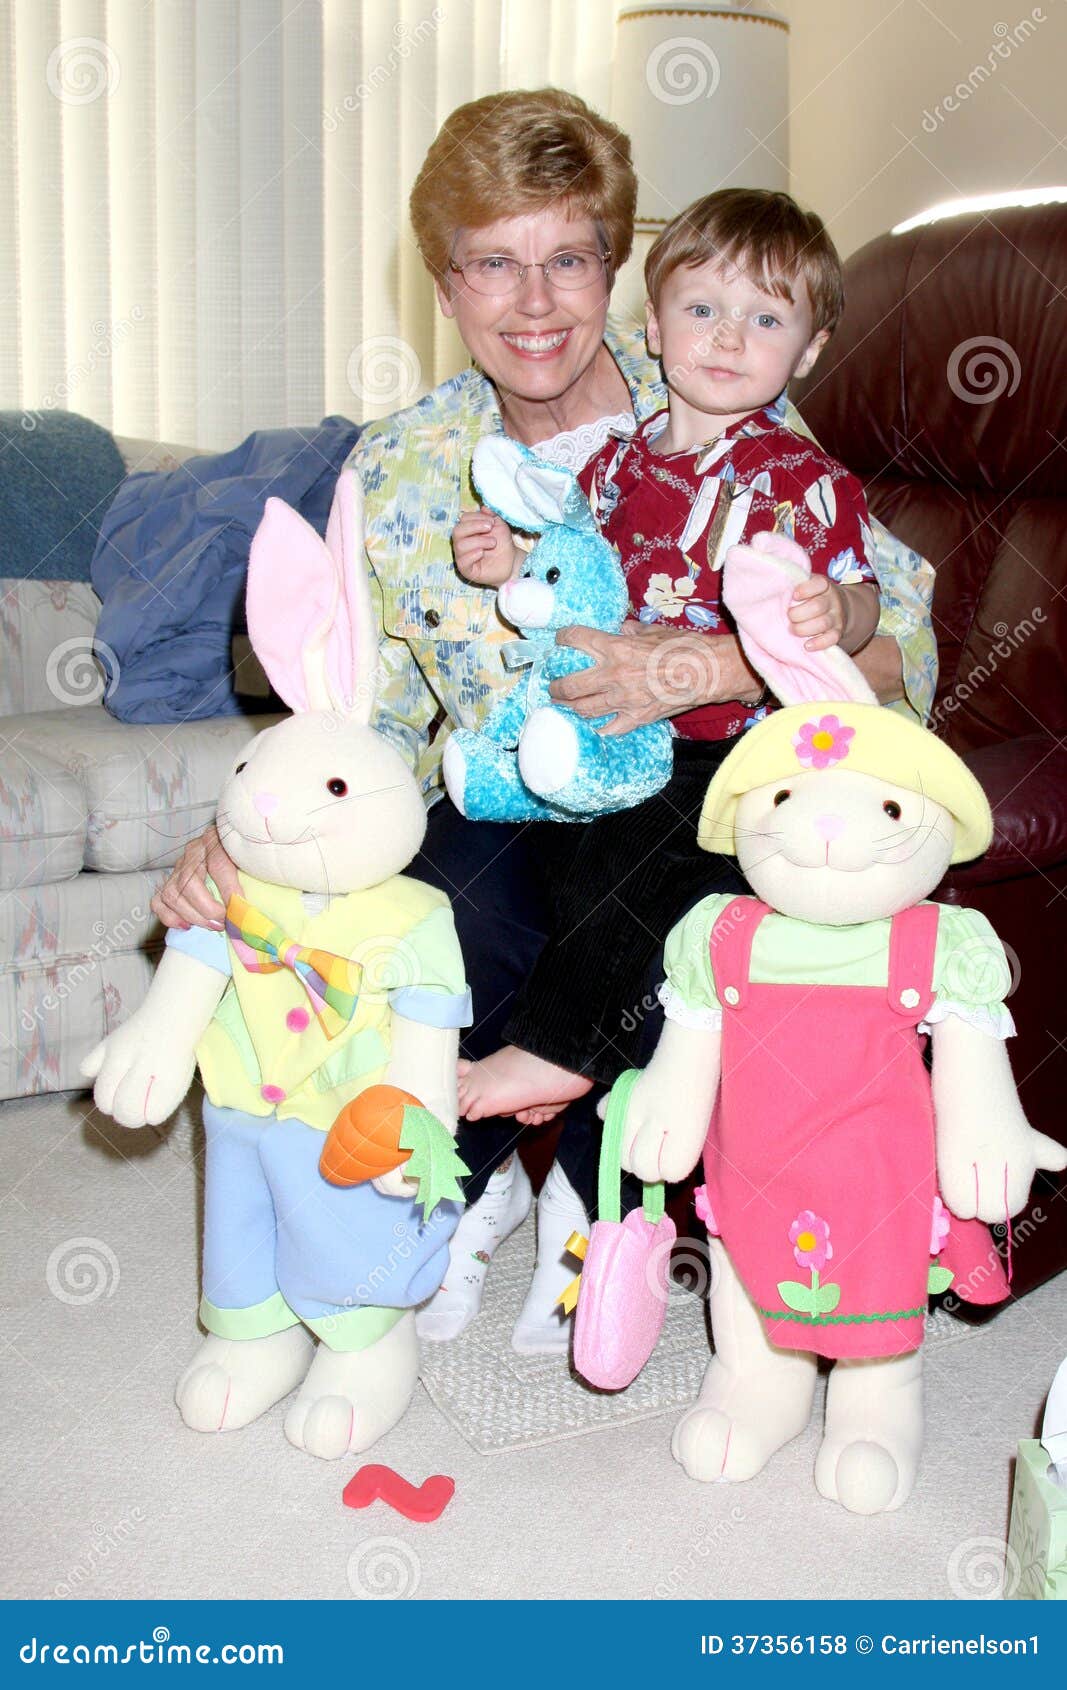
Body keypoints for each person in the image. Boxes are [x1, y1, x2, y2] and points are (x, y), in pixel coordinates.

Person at [150, 89, 938, 1356]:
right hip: (512, 785)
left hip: (694, 770)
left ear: (614, 270)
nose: (533, 303)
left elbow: (900, 642)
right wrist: (244, 839)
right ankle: (454, 1180)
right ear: (443, 283)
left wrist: (705, 663)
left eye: (566, 259)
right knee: (446, 905)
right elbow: (357, 715)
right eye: (492, 264)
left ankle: (589, 1190)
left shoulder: (715, 387)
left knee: (672, 889)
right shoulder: (402, 467)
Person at [454, 188, 881, 1127]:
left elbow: (867, 598)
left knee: (645, 852)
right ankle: (595, 1070)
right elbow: (577, 572)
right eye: (701, 309)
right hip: (616, 736)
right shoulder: (612, 464)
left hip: (743, 748)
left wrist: (838, 609)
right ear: (651, 326)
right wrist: (511, 563)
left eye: (765, 319)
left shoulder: (802, 477)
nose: (727, 338)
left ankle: (558, 1049)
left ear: (808, 349)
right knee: (559, 860)